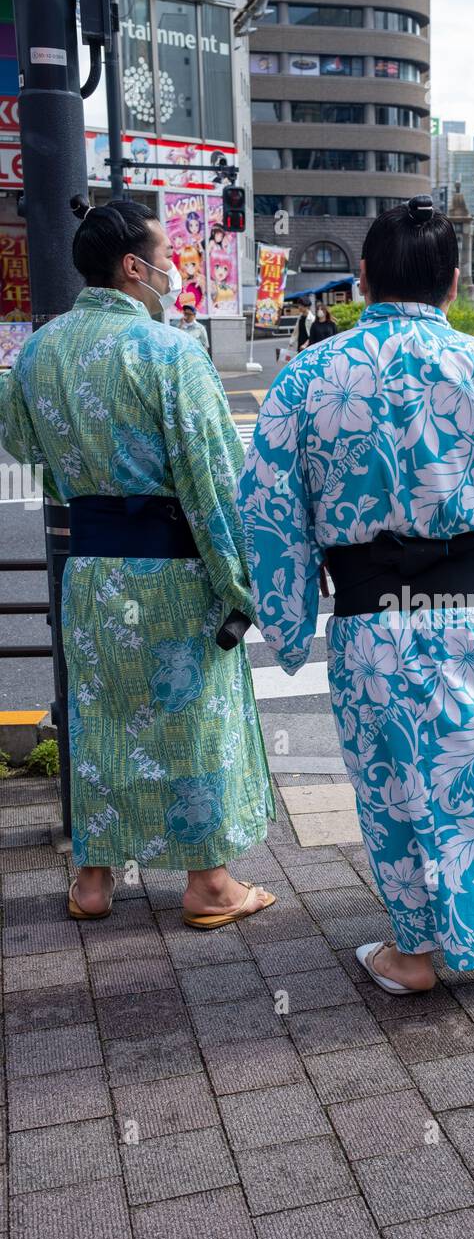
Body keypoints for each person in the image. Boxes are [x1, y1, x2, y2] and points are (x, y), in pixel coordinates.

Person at [237, 194, 474, 994]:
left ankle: (414, 955)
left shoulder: (308, 379)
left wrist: (290, 624)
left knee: (392, 780)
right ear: (454, 280)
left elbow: (265, 511)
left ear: (363, 277)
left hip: (371, 622)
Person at [0, 198, 276, 926]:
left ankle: (92, 880)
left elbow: (27, 453)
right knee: (188, 718)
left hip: (89, 569)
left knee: (100, 721)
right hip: (172, 573)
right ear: (133, 267)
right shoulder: (170, 352)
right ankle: (210, 885)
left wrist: (85, 497)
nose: (173, 269)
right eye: (166, 257)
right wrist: (240, 584)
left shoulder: (36, 352)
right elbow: (215, 479)